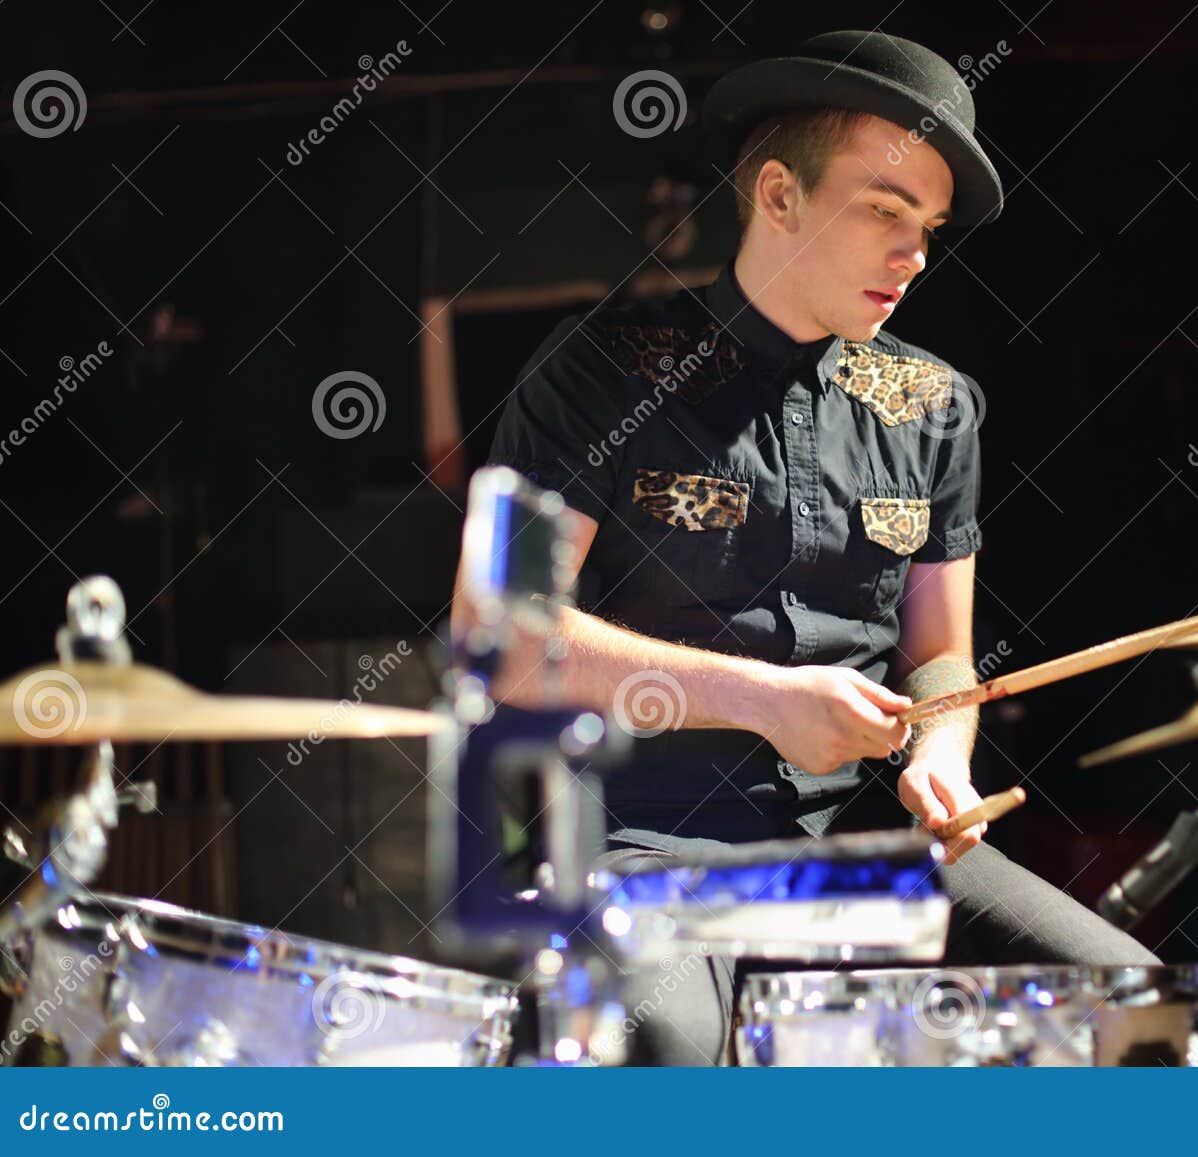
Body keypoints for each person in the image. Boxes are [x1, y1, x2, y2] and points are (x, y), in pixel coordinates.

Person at [456, 29, 1158, 1065]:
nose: (914, 254)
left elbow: (942, 655)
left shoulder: (935, 404)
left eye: (928, 226)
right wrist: (765, 699)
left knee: (1118, 1009)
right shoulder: (599, 367)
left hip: (865, 843)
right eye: (884, 210)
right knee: (654, 1037)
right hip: (648, 844)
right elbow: (500, 637)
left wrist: (942, 758)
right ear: (778, 194)